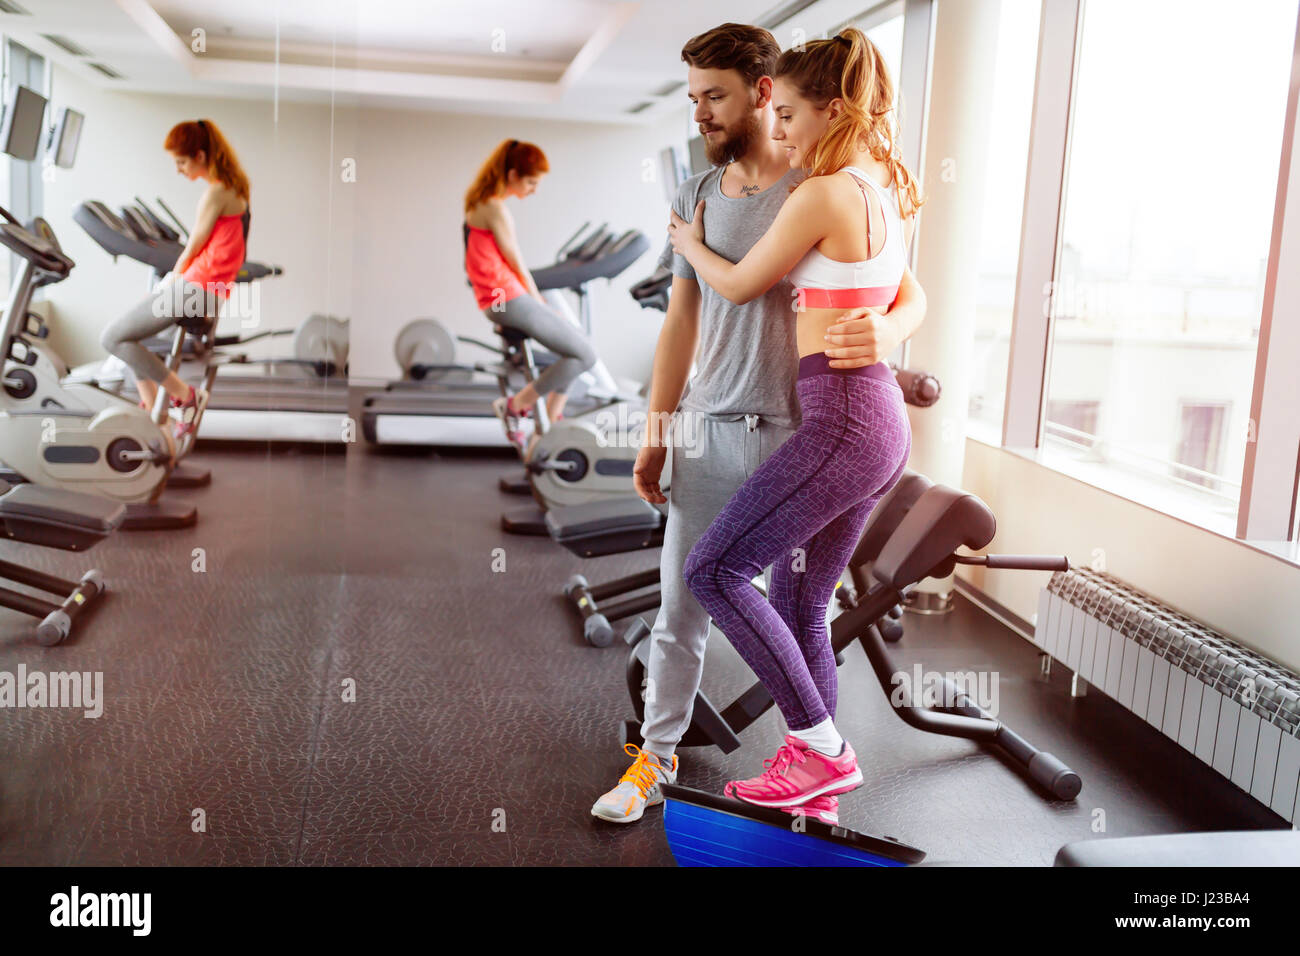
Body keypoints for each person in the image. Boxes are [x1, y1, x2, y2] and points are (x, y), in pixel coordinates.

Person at [591, 23, 926, 826]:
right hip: (710, 423)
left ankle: (810, 772)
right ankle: (656, 761)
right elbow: (681, 321)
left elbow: (904, 285)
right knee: (683, 609)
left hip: (797, 429)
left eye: (714, 97)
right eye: (693, 98)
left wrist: (890, 331)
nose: (700, 114)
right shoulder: (697, 195)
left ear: (765, 93)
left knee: (794, 604)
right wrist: (656, 429)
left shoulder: (820, 179)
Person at [100, 118, 250, 441]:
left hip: (196, 287)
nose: (179, 170)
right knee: (130, 342)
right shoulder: (235, 186)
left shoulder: (216, 192)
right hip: (207, 288)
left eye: (181, 162)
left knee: (112, 338)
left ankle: (186, 397)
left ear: (199, 155)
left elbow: (193, 247)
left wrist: (169, 282)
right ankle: (155, 421)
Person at [462, 139, 597, 446]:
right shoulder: (495, 208)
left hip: (497, 298)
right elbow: (516, 261)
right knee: (586, 355)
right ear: (512, 175)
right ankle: (516, 406)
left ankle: (552, 422)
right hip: (507, 298)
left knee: (576, 342)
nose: (534, 189)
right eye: (532, 182)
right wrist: (537, 299)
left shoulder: (477, 200)